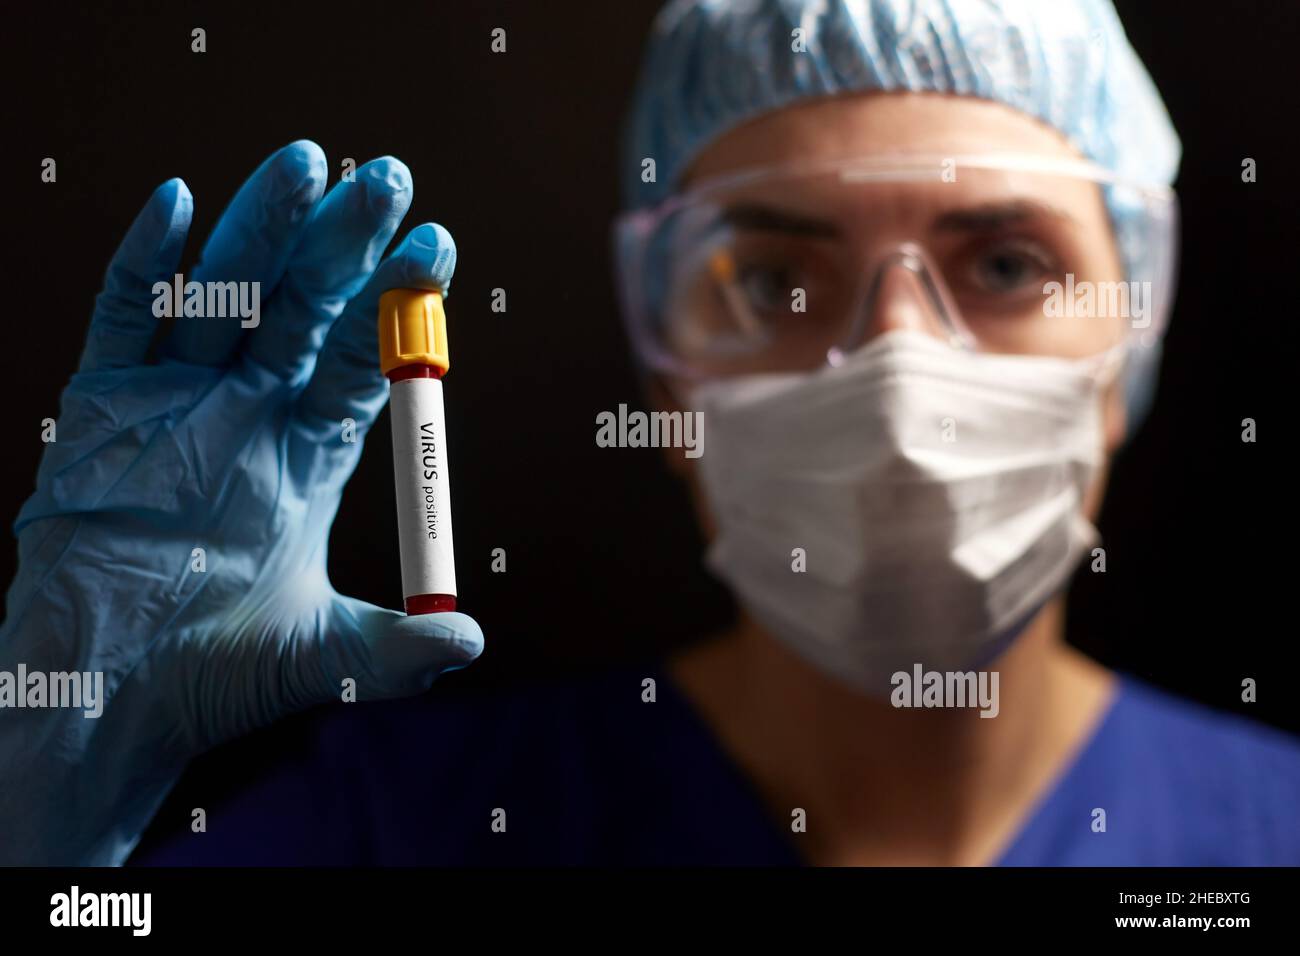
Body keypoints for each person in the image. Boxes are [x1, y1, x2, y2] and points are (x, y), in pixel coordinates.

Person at [2, 0, 1297, 867]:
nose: (902, 372)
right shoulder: (399, 831)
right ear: (670, 383)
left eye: (1009, 262)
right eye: (780, 282)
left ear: (1130, 340)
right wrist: (51, 823)